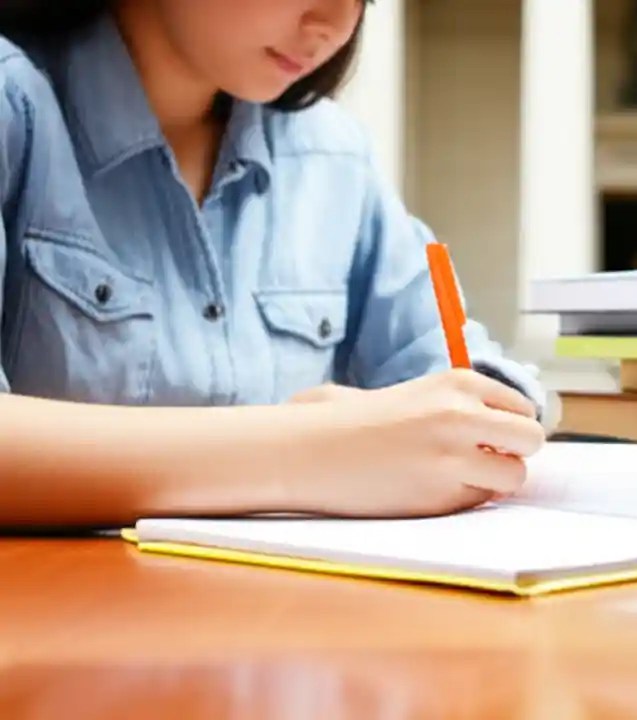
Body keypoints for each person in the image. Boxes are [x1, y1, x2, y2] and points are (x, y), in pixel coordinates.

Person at [0, 0, 546, 528]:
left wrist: (483, 406)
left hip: (282, 611)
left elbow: (444, 365)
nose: (333, 22)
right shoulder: (15, 103)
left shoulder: (332, 154)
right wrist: (313, 452)